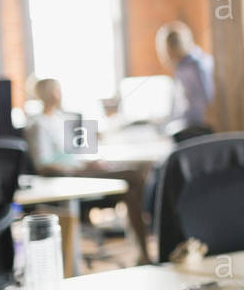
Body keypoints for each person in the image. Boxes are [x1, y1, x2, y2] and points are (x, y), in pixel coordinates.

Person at [24, 76, 152, 265]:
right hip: (64, 176)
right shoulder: (37, 124)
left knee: (134, 179)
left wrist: (91, 162)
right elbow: (42, 166)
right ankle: (144, 247)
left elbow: (76, 154)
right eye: (54, 90)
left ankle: (143, 250)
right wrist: (78, 167)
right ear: (43, 94)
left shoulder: (63, 119)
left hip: (79, 171)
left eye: (58, 90)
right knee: (133, 176)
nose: (58, 95)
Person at [156, 21, 215, 129]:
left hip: (199, 127)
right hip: (190, 124)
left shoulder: (196, 67)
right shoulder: (183, 67)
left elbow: (206, 102)